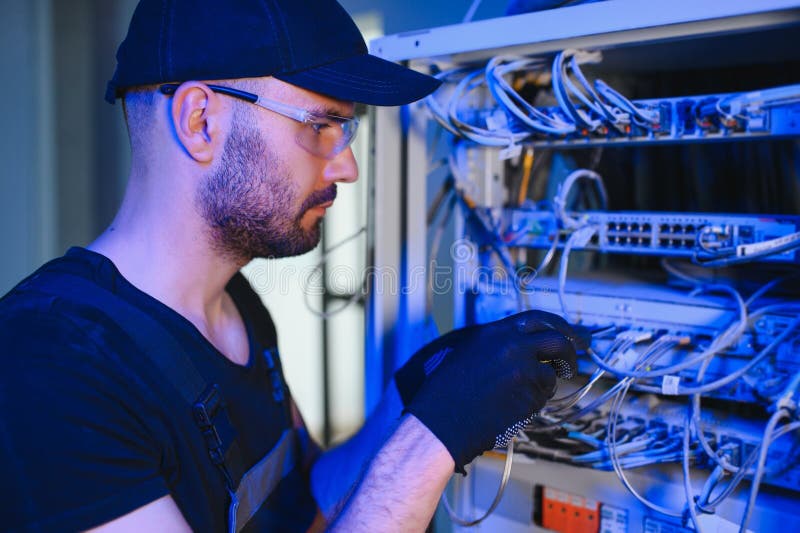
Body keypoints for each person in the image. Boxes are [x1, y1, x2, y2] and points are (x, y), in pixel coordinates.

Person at [0, 0, 579, 531]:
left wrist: (414, 401)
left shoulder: (237, 304)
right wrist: (429, 445)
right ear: (199, 120)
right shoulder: (48, 368)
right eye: (320, 125)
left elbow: (307, 504)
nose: (347, 167)